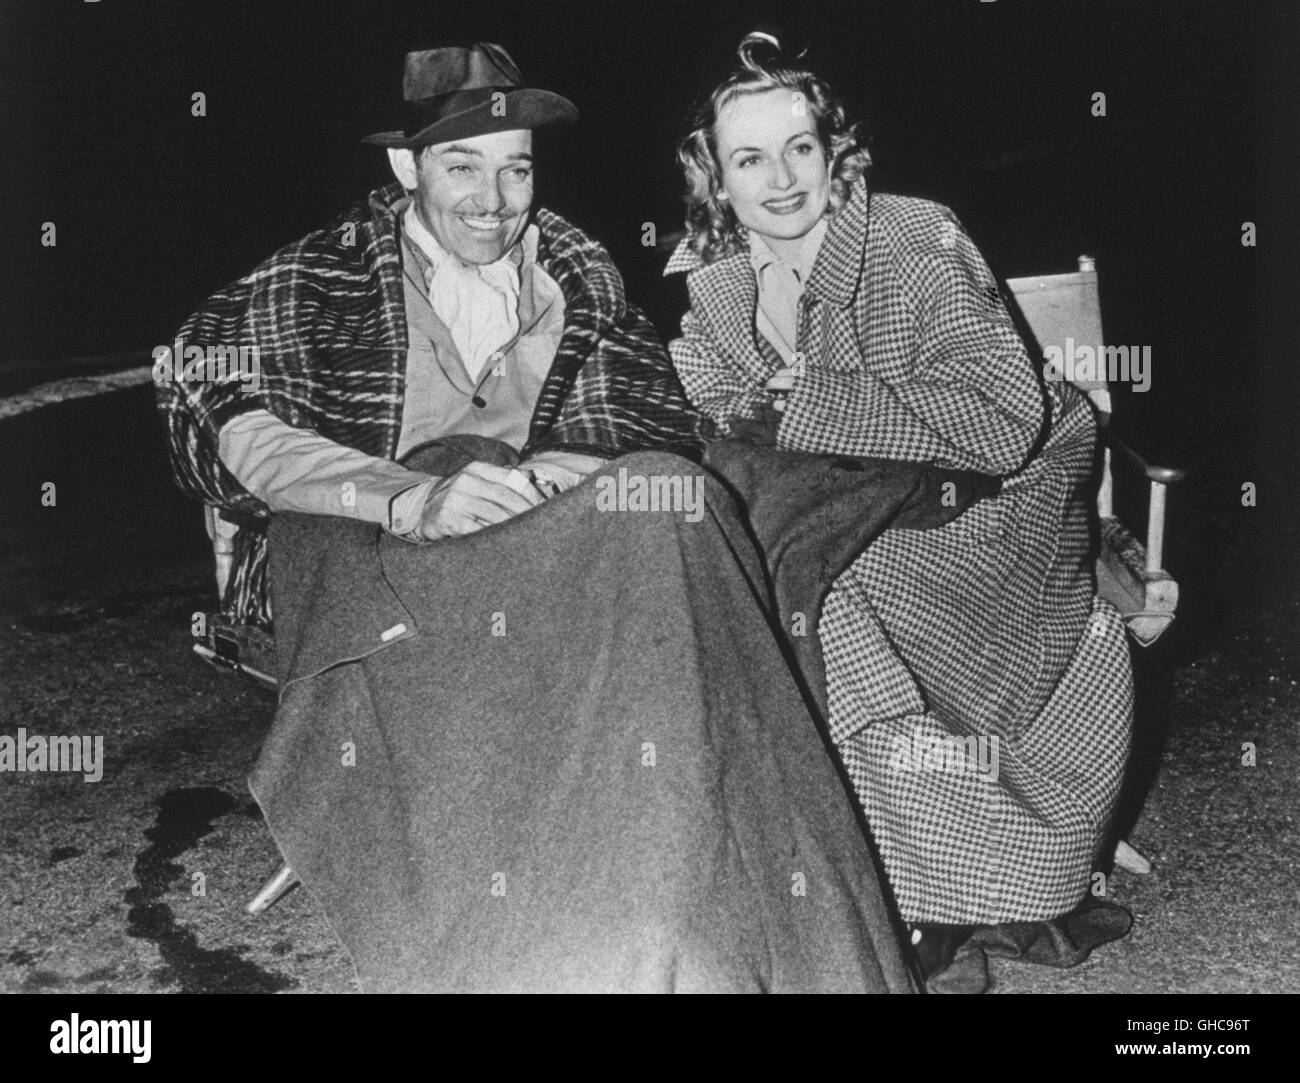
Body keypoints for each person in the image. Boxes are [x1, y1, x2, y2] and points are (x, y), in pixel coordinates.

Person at [666, 32, 1135, 967]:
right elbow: (711, 404)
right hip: (864, 524)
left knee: (815, 592)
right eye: (749, 159)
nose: (782, 179)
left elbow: (1006, 421)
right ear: (715, 178)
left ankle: (914, 900)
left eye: (800, 148)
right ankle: (866, 878)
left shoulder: (916, 237)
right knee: (755, 575)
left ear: (834, 150)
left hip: (997, 532)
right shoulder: (710, 284)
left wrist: (808, 405)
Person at [155, 42, 708, 626]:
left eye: (515, 170)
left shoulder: (584, 288)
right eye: (463, 167)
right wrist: (412, 500)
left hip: (548, 549)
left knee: (676, 500)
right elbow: (223, 406)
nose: (492, 201)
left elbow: (641, 429)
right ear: (406, 166)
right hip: (371, 557)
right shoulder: (318, 278)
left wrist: (531, 491)